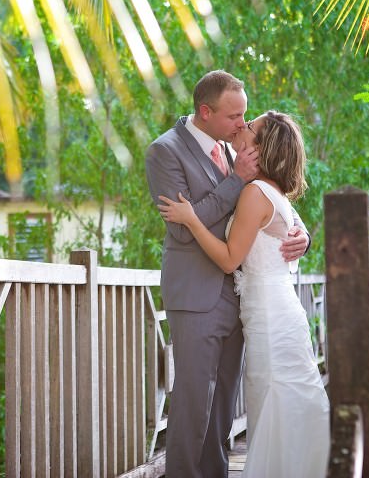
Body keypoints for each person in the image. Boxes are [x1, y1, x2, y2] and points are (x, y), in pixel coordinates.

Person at [145, 70, 311, 478]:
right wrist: (236, 179)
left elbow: (270, 198)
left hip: (242, 297)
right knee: (192, 403)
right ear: (206, 111)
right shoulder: (164, 152)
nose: (241, 123)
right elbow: (184, 226)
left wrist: (303, 234)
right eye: (235, 116)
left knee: (223, 408)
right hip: (196, 296)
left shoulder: (237, 150)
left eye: (245, 116)